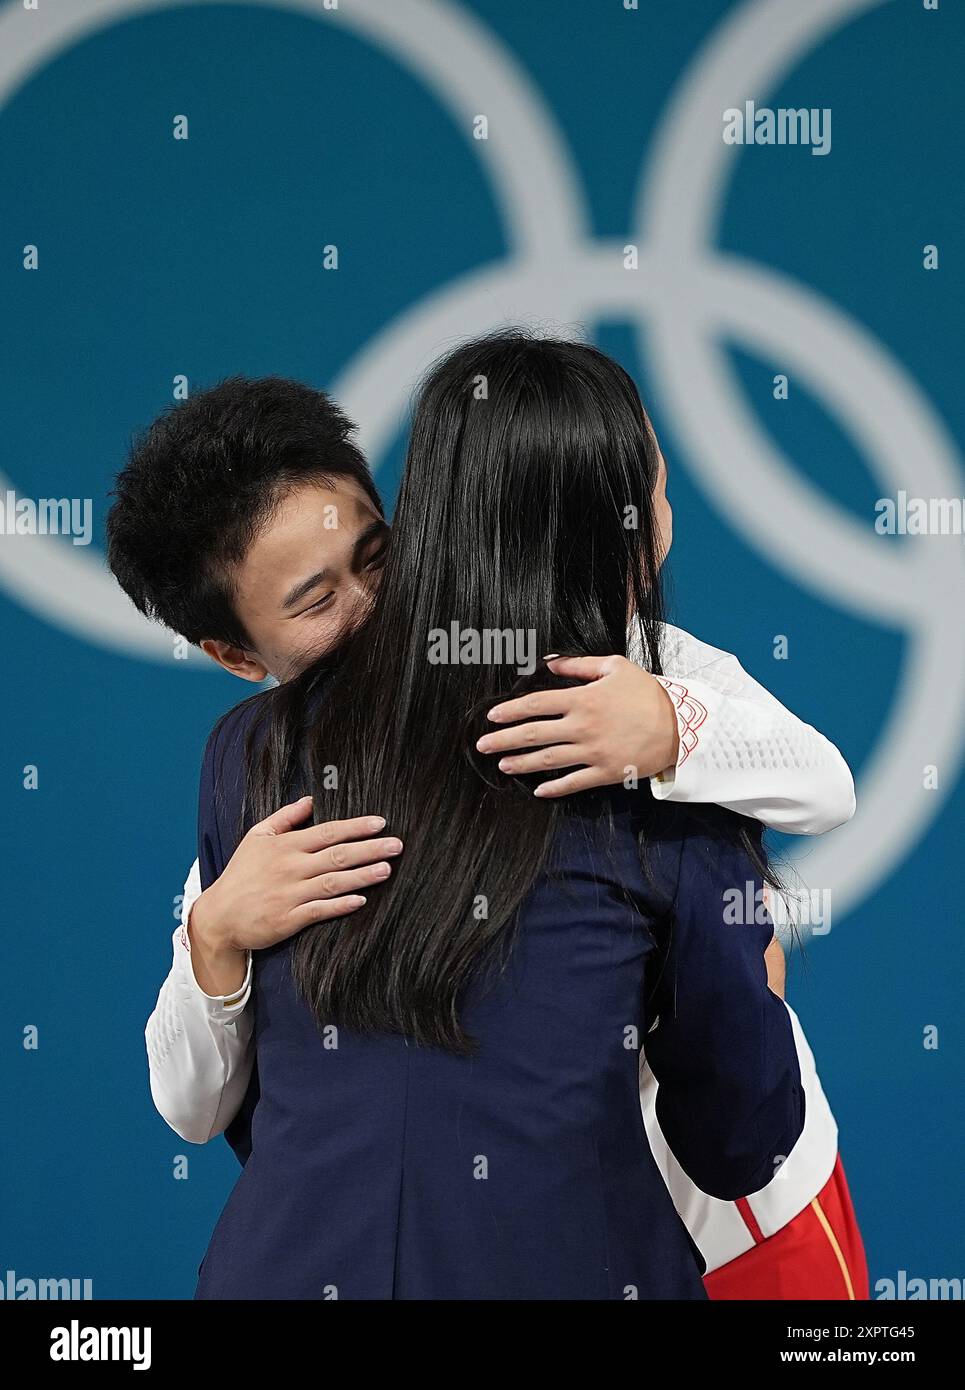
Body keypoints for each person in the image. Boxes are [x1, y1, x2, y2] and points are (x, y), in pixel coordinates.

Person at [109, 367, 866, 1298]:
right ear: (235, 656)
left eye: (379, 556)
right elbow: (199, 1107)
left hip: (703, 1222)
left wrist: (672, 730)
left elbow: (824, 783)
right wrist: (214, 936)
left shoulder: (639, 686)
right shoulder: (265, 776)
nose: (371, 607)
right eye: (315, 602)